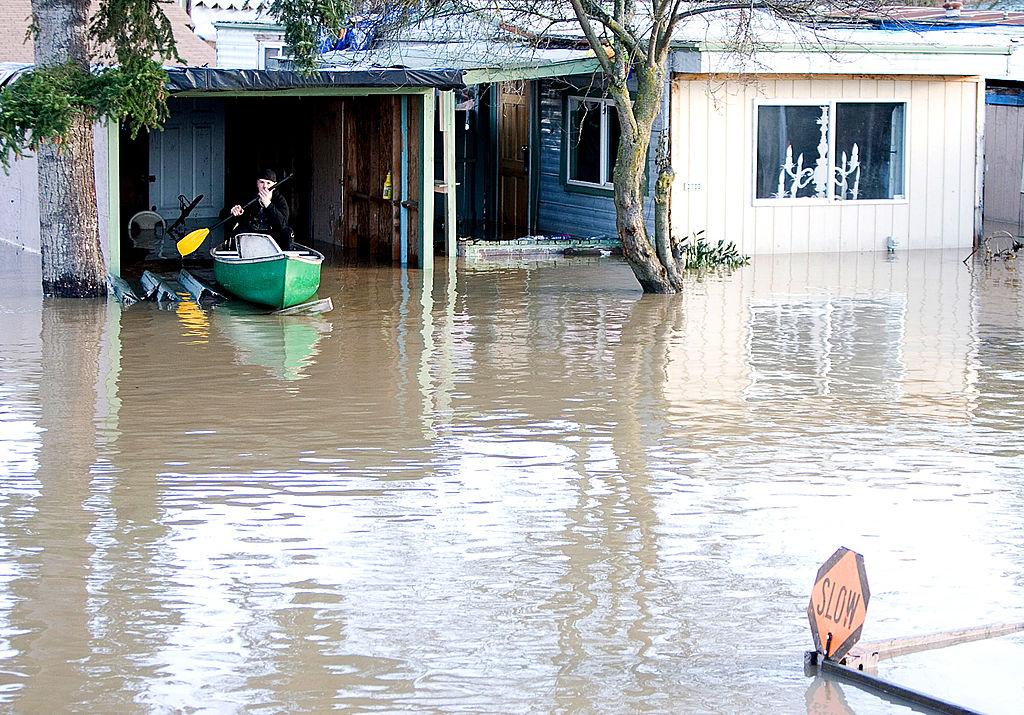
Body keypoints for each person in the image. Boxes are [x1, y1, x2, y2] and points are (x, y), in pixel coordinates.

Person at [230, 168, 292, 250]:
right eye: (262, 182)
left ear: (274, 185)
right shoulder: (248, 197)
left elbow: (282, 224)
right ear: (257, 183)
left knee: (287, 232)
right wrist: (234, 213)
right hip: (250, 239)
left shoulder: (280, 200)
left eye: (268, 183)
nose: (265, 186)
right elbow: (224, 215)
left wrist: (268, 204)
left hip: (273, 241)